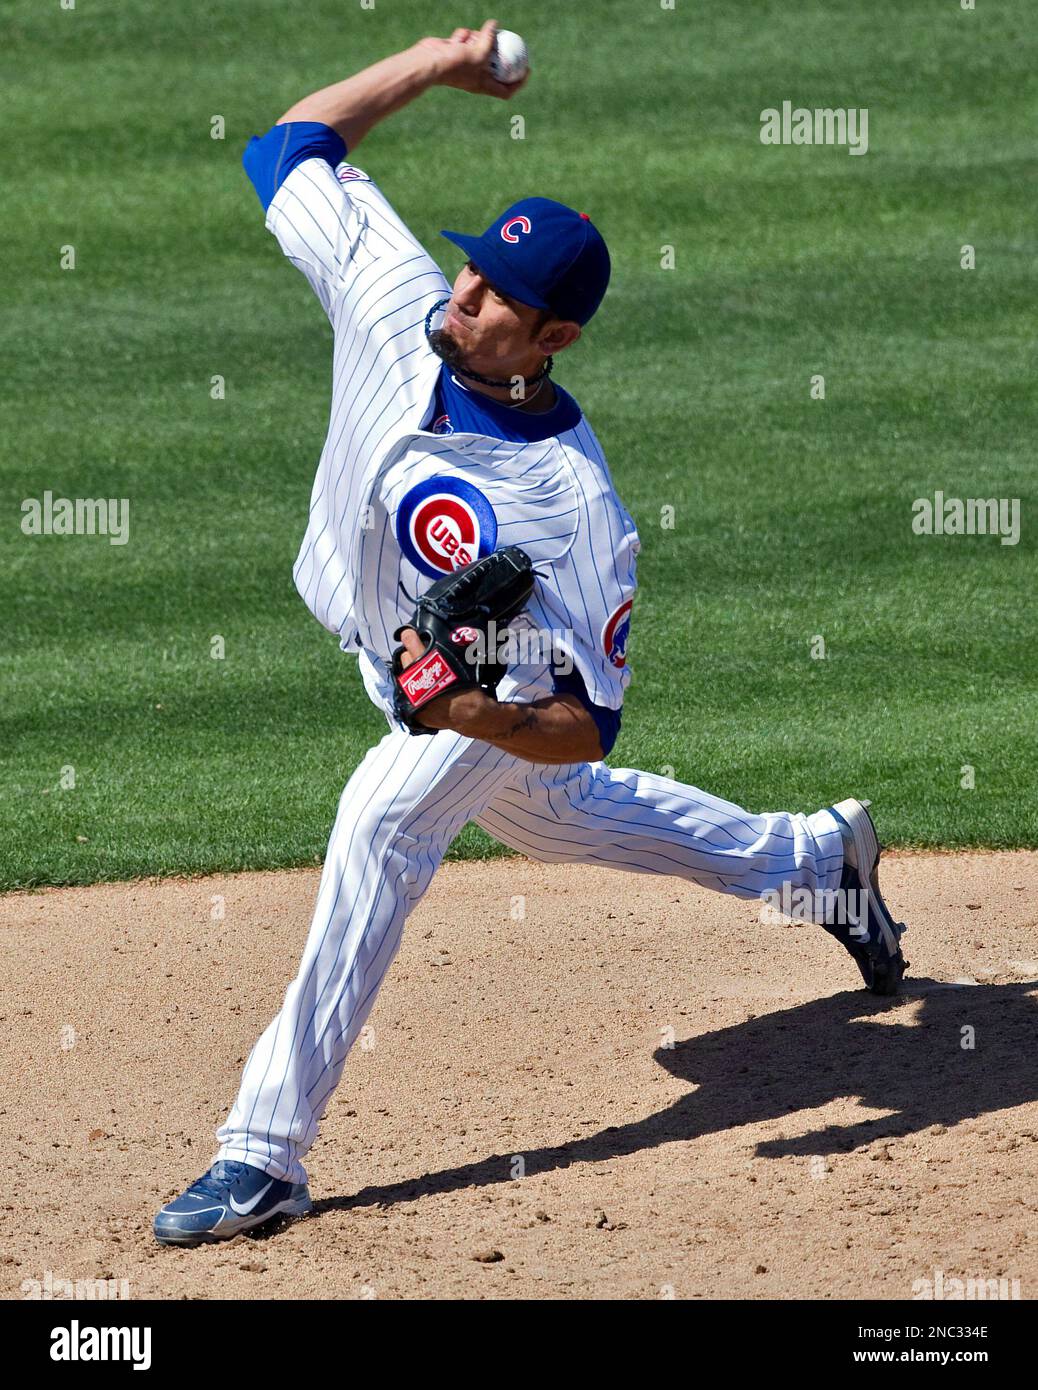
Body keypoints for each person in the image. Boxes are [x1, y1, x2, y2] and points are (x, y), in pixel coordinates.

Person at [154, 19, 906, 1246]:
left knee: (388, 817)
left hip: (487, 689)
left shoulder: (573, 511)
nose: (468, 295)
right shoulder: (403, 292)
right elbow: (289, 144)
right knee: (550, 821)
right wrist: (435, 66)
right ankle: (814, 863)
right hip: (388, 650)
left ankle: (263, 1153)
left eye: (502, 296)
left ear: (555, 336)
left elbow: (585, 717)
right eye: (472, 266)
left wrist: (467, 709)